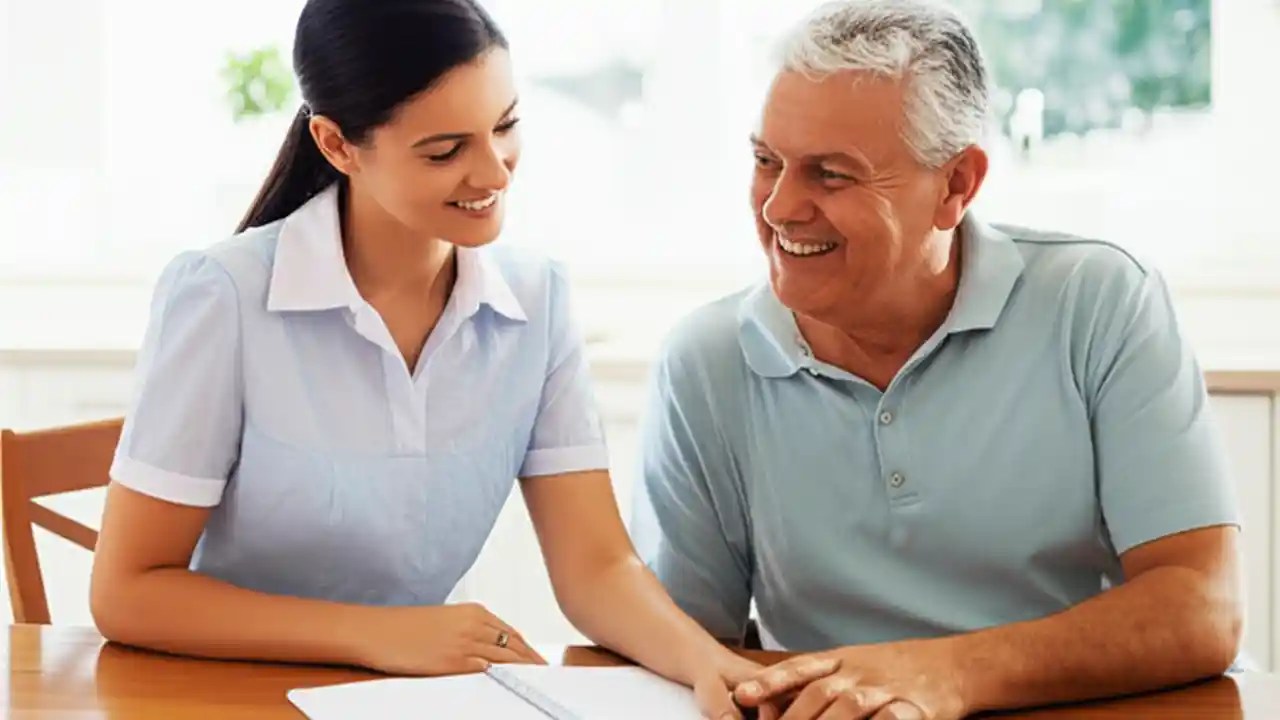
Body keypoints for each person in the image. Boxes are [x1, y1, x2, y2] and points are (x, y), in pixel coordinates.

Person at [89, 1, 756, 715]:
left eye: (505, 126)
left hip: (408, 700)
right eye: (445, 151)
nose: (494, 171)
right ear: (337, 145)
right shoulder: (224, 297)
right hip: (220, 696)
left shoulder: (537, 299)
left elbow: (596, 567)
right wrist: (382, 635)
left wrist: (711, 666)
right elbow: (128, 590)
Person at [635, 1, 1243, 718]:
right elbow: (683, 651)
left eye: (830, 175)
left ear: (956, 185)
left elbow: (1202, 606)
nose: (778, 208)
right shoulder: (704, 363)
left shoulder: (1099, 302)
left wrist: (947, 675)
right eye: (767, 162)